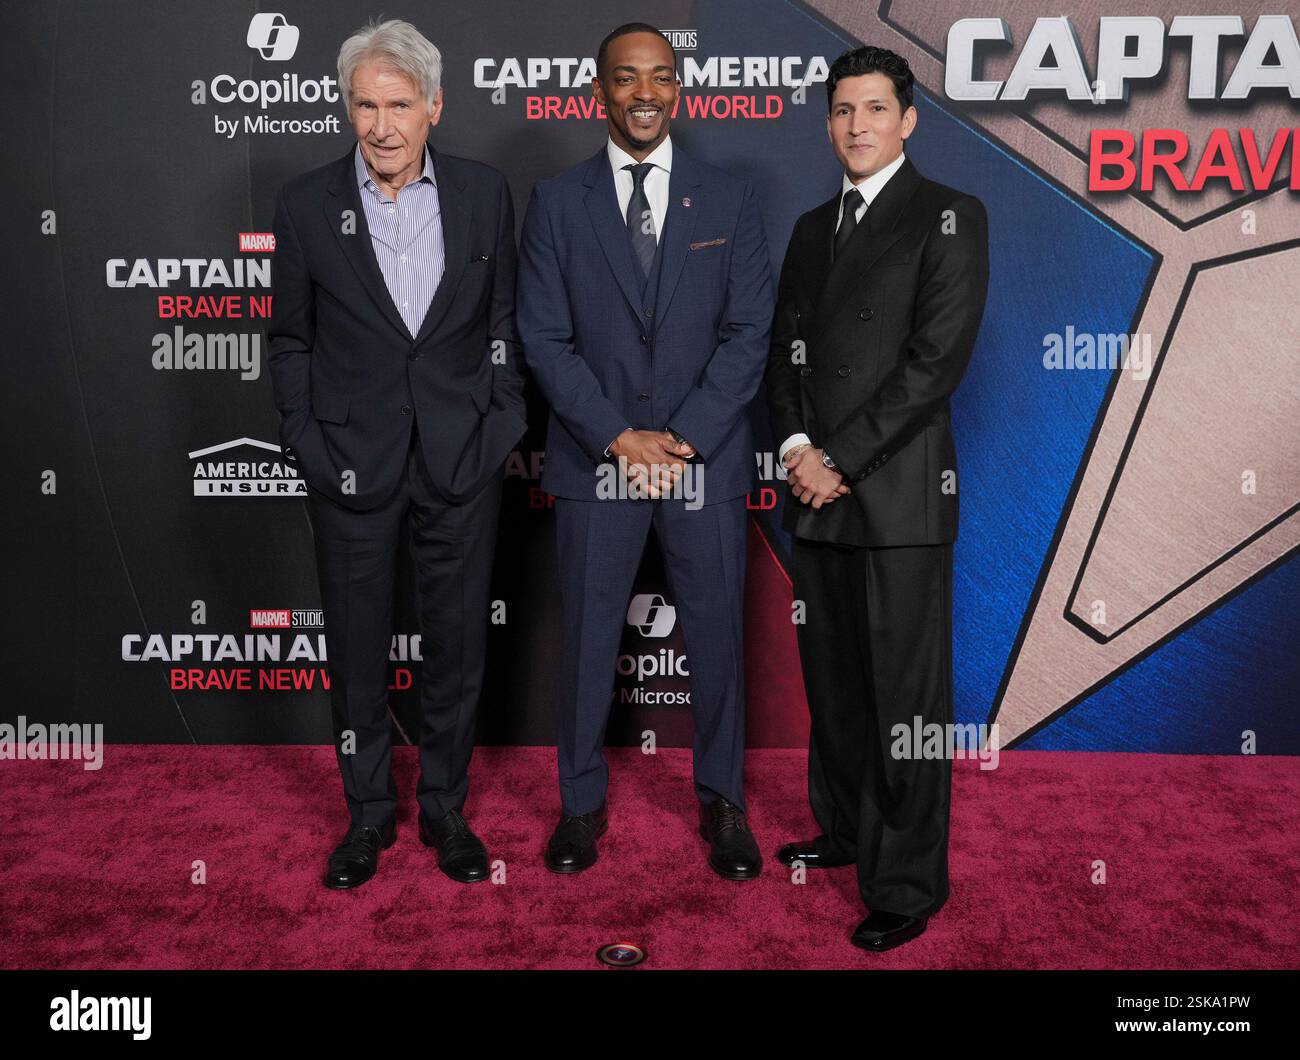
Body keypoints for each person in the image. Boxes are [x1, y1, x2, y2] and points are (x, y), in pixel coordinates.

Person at [265, 18, 526, 890]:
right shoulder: (304, 205)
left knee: (457, 647)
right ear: (347, 107)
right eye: (364, 105)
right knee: (358, 648)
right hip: (348, 460)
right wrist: (305, 439)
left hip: (460, 456)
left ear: (435, 107)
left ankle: (446, 808)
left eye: (400, 105)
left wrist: (500, 424)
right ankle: (368, 814)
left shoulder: (486, 194)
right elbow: (291, 342)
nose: (380, 125)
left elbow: (501, 325)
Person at [517, 22, 773, 879]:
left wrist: (686, 438)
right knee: (588, 640)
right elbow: (544, 340)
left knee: (716, 639)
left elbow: (748, 334)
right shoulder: (558, 202)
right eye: (626, 79)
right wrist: (619, 438)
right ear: (600, 91)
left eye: (660, 77)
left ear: (679, 90)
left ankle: (724, 803)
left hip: (706, 458)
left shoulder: (730, 199)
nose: (644, 94)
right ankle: (580, 806)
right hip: (598, 460)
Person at [765, 45, 988, 950]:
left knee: (907, 703)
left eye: (874, 109)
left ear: (908, 120)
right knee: (838, 690)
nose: (856, 126)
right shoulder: (812, 228)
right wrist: (792, 447)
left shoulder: (950, 216)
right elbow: (783, 356)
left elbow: (933, 364)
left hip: (897, 501)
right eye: (842, 111)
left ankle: (905, 882)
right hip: (815, 497)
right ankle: (847, 831)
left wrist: (838, 458)